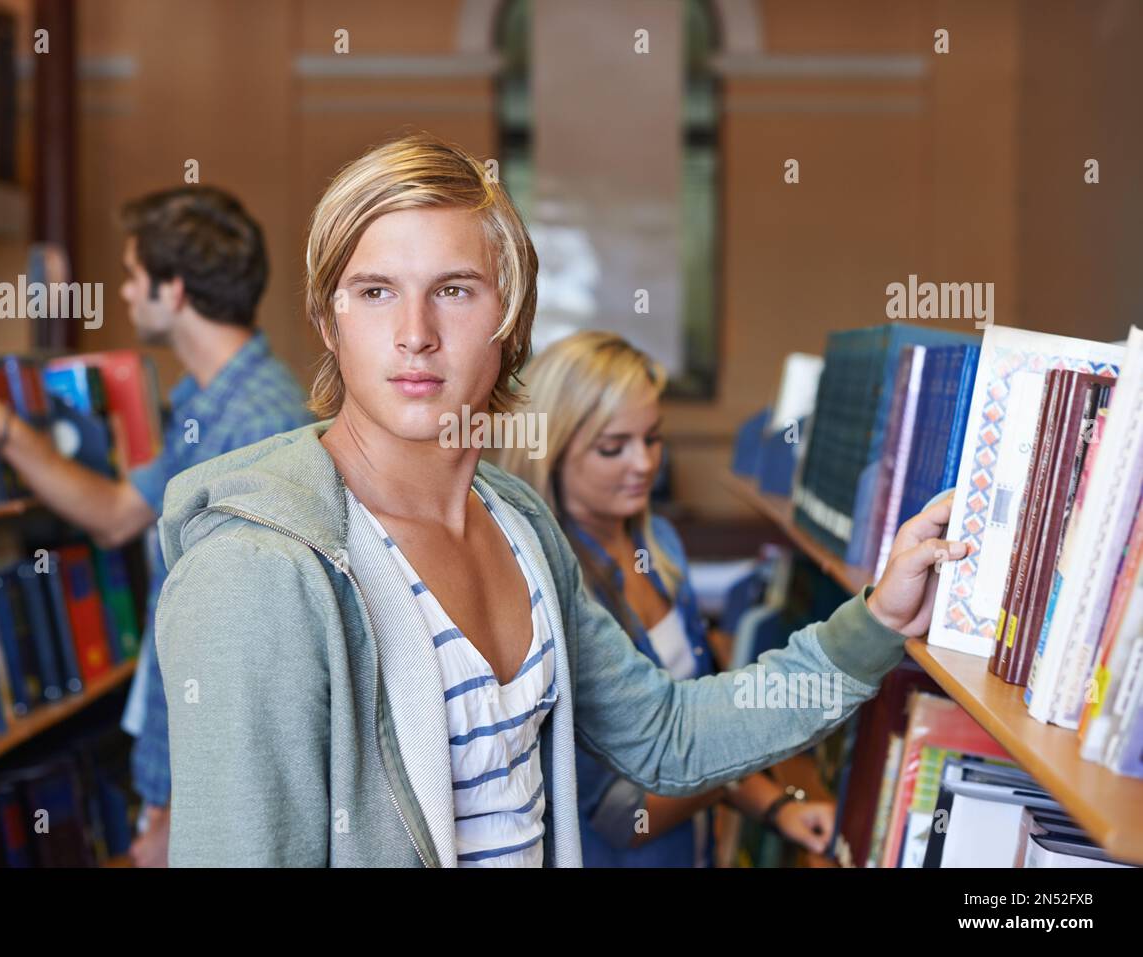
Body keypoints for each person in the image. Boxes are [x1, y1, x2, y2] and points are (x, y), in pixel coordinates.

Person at [153, 132, 965, 867]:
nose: (414, 331)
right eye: (373, 292)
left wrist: (876, 623)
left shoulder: (519, 520)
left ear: (510, 317)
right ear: (329, 321)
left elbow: (667, 735)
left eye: (455, 289)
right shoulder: (257, 570)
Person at [0, 187, 312, 866]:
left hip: (209, 786)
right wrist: (0, 426)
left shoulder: (259, 423)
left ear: (173, 290)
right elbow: (117, 512)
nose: (122, 292)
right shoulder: (213, 400)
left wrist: (182, 805)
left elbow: (244, 646)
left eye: (131, 275)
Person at [496, 331, 835, 866]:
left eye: (653, 438)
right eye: (613, 447)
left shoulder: (663, 548)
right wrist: (748, 744)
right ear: (550, 452)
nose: (643, 464)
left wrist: (775, 805)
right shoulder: (547, 589)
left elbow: (692, 720)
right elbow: (623, 816)